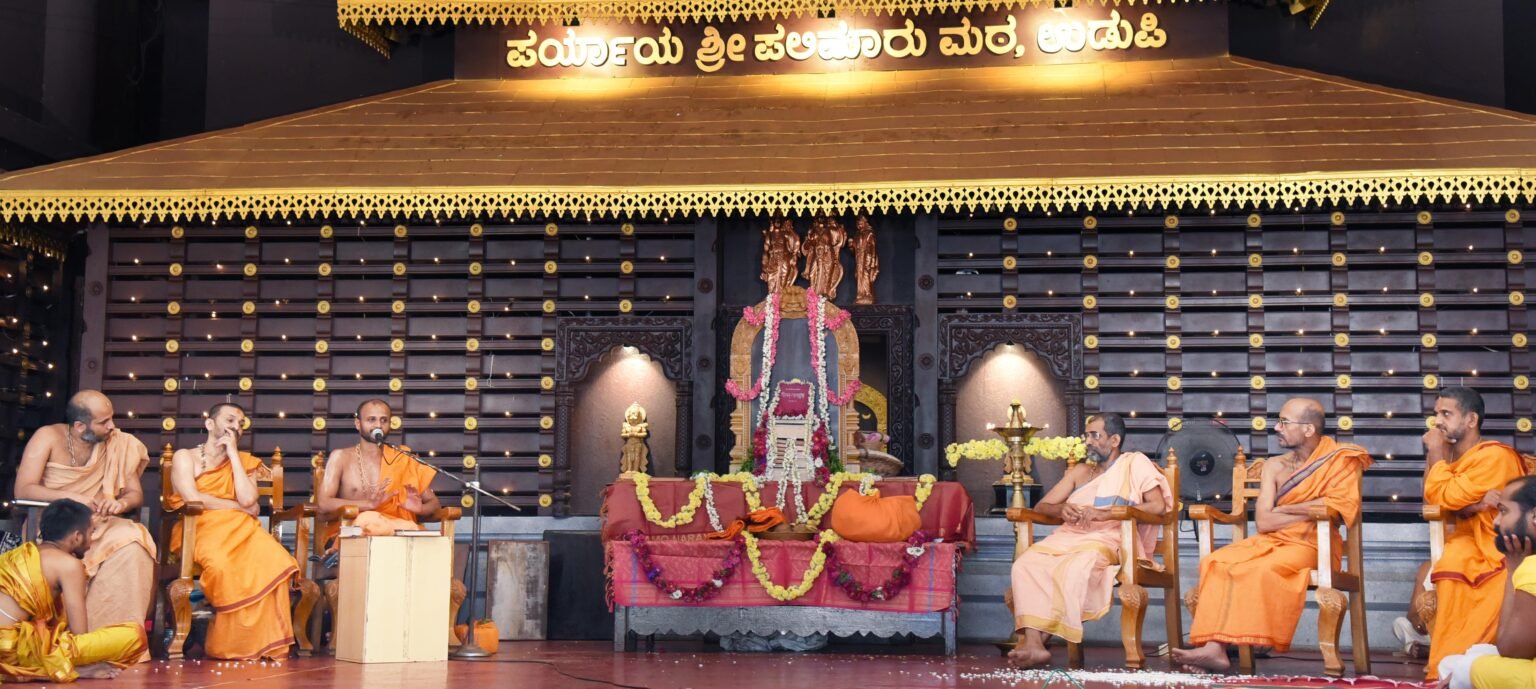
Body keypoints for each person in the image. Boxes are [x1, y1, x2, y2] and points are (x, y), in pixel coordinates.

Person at [1172, 398, 1373, 672]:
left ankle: (1218, 649)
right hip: (1270, 540)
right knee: (1215, 562)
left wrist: (1286, 508)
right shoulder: (1274, 466)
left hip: (1314, 545)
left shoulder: (1341, 460)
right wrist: (1308, 508)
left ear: (1308, 429)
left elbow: (1338, 508)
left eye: (1284, 422)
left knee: (1260, 569)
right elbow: (1264, 521)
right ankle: (1214, 649)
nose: (1276, 428)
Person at [1005, 413, 1171, 668]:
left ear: (1114, 440)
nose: (1088, 441)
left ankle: (1037, 644)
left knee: (1076, 567)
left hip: (1109, 537)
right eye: (1086, 436)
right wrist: (1061, 510)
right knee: (1025, 564)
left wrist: (1105, 513)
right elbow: (1042, 507)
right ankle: (1035, 645)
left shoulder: (1134, 463)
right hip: (1068, 537)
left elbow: (1157, 505)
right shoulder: (1080, 471)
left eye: (1095, 435)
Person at [13, 390, 156, 637]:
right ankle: (73, 640)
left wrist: (120, 504)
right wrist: (72, 497)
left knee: (134, 540)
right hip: (56, 526)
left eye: (111, 418)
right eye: (104, 422)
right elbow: (23, 489)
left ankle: (115, 638)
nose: (112, 426)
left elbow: (135, 494)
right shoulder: (47, 437)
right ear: (80, 426)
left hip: (100, 524)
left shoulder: (118, 444)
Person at [167, 402, 298, 660]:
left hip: (242, 528)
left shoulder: (245, 461)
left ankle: (264, 643)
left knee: (276, 560)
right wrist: (237, 507)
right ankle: (230, 644)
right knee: (222, 566)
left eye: (240, 424)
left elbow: (249, 499)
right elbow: (193, 498)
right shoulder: (185, 456)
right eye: (229, 421)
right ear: (209, 424)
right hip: (199, 526)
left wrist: (234, 455)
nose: (236, 427)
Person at [1422, 387, 1528, 680]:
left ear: (1471, 420)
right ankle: (1447, 666)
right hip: (1467, 538)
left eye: (1446, 414)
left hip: (1502, 542)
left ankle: (1475, 662)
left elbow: (1446, 494)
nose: (1437, 422)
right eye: (1436, 414)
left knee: (1495, 576)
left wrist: (1436, 455)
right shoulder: (1445, 456)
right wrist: (1474, 505)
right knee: (1454, 562)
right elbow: (1433, 499)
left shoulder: (1495, 455)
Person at [0, 499, 147, 681]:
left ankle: (39, 668)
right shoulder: (69, 565)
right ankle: (63, 669)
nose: (91, 541)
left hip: (13, 645)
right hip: (10, 649)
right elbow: (79, 633)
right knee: (135, 636)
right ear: (77, 537)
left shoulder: (20, 553)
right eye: (91, 533)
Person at [1435, 476, 1536, 689]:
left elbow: (1510, 650)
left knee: (1463, 668)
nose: (1496, 521)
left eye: (1504, 511)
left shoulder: (1532, 568)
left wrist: (1513, 570)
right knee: (1464, 660)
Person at [317, 399, 443, 542]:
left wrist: (420, 509)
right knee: (368, 520)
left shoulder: (402, 457)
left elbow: (434, 505)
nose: (378, 425)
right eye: (371, 420)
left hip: (396, 535)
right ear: (358, 424)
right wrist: (369, 504)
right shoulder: (340, 457)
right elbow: (323, 504)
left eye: (384, 420)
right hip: (353, 536)